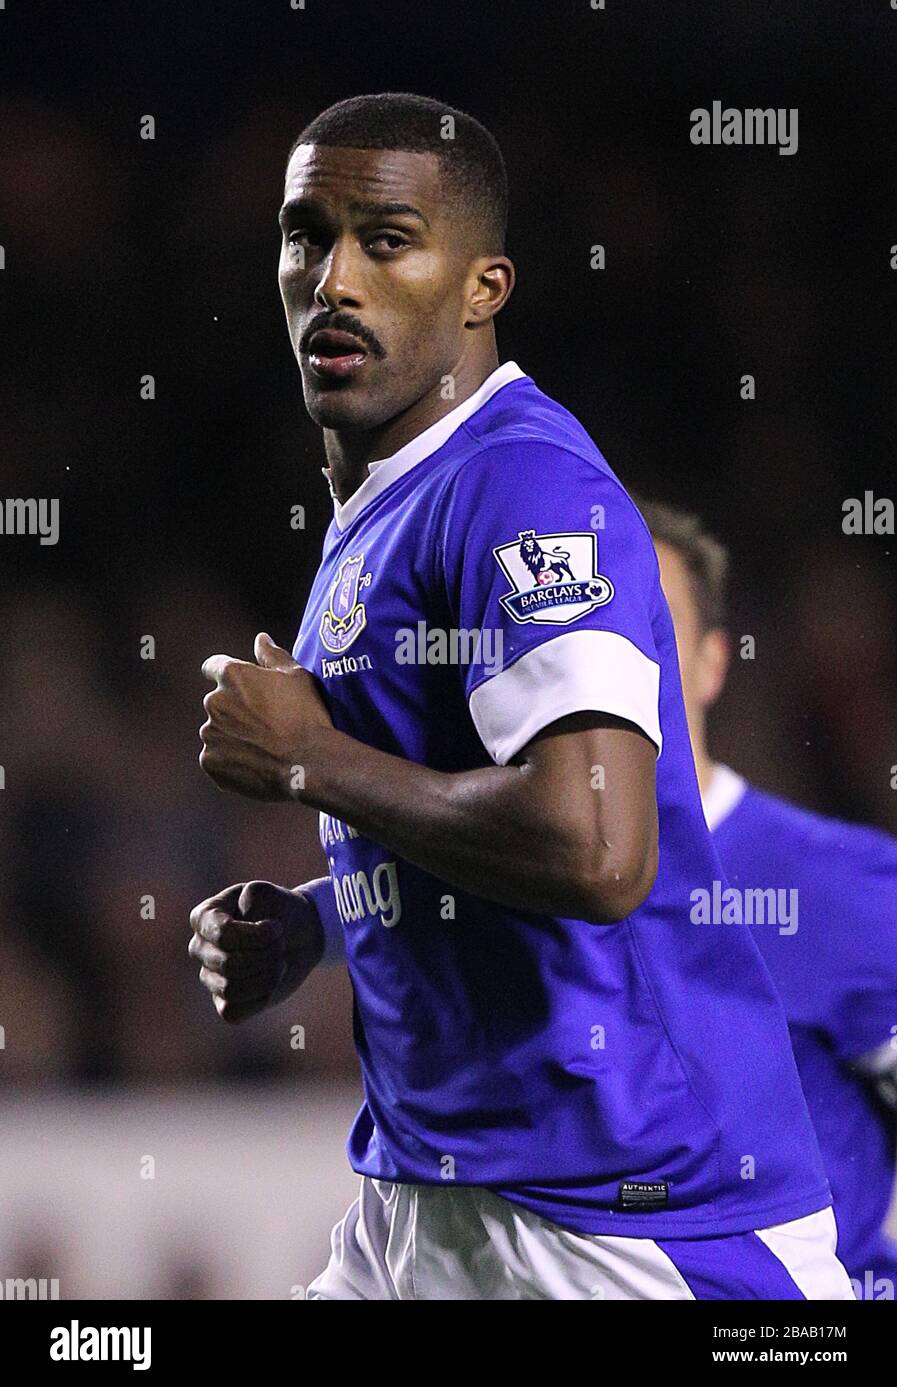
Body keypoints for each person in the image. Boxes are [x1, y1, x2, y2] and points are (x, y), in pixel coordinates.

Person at [189, 92, 851, 1300]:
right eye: (305, 234)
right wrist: (322, 918)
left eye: (386, 239)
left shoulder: (523, 489)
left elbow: (595, 847)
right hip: (426, 1193)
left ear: (483, 286)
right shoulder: (389, 491)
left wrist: (311, 762)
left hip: (627, 1224)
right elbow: (461, 821)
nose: (333, 278)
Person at [643, 497, 897, 1300]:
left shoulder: (843, 885)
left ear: (714, 661)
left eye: (651, 625)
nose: (611, 659)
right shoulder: (490, 877)